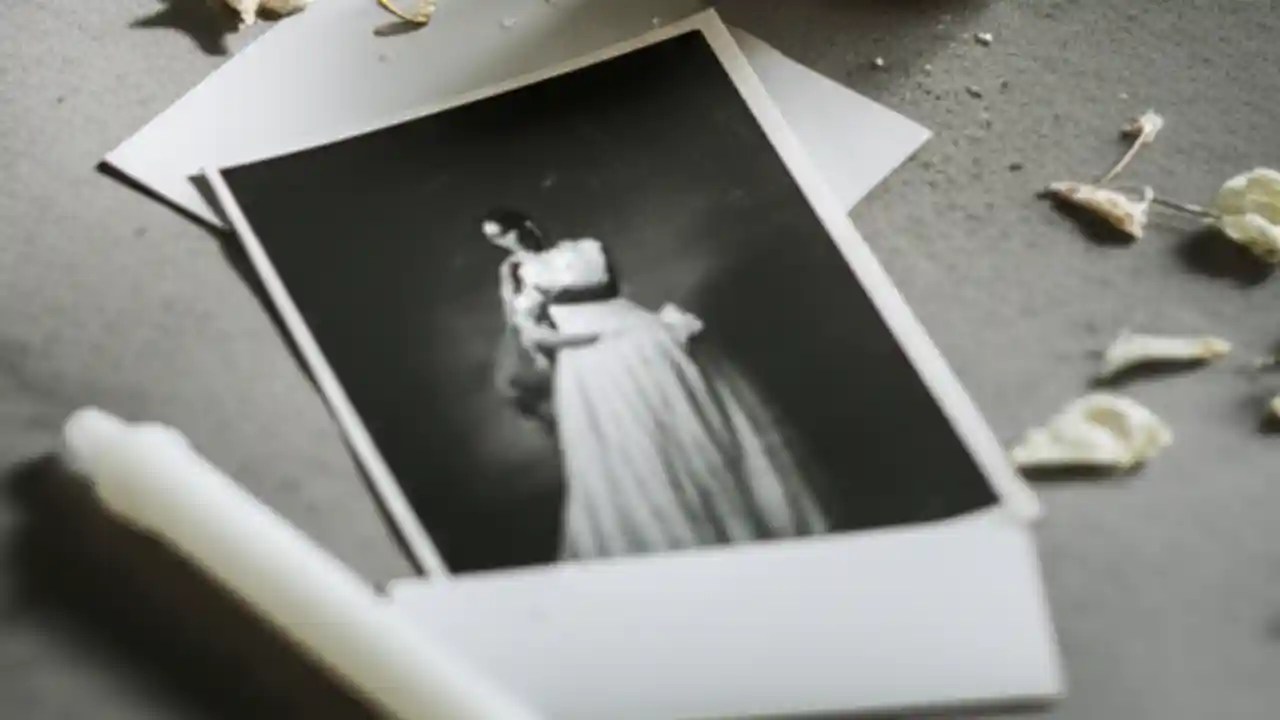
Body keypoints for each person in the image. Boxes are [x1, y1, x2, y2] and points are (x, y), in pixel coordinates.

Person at [509, 232, 830, 560]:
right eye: (502, 237)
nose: (511, 240)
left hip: (639, 342)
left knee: (685, 432)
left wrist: (601, 333)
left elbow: (607, 295)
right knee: (631, 451)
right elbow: (535, 335)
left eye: (511, 232)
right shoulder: (522, 275)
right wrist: (586, 338)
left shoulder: (585, 250)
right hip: (598, 357)